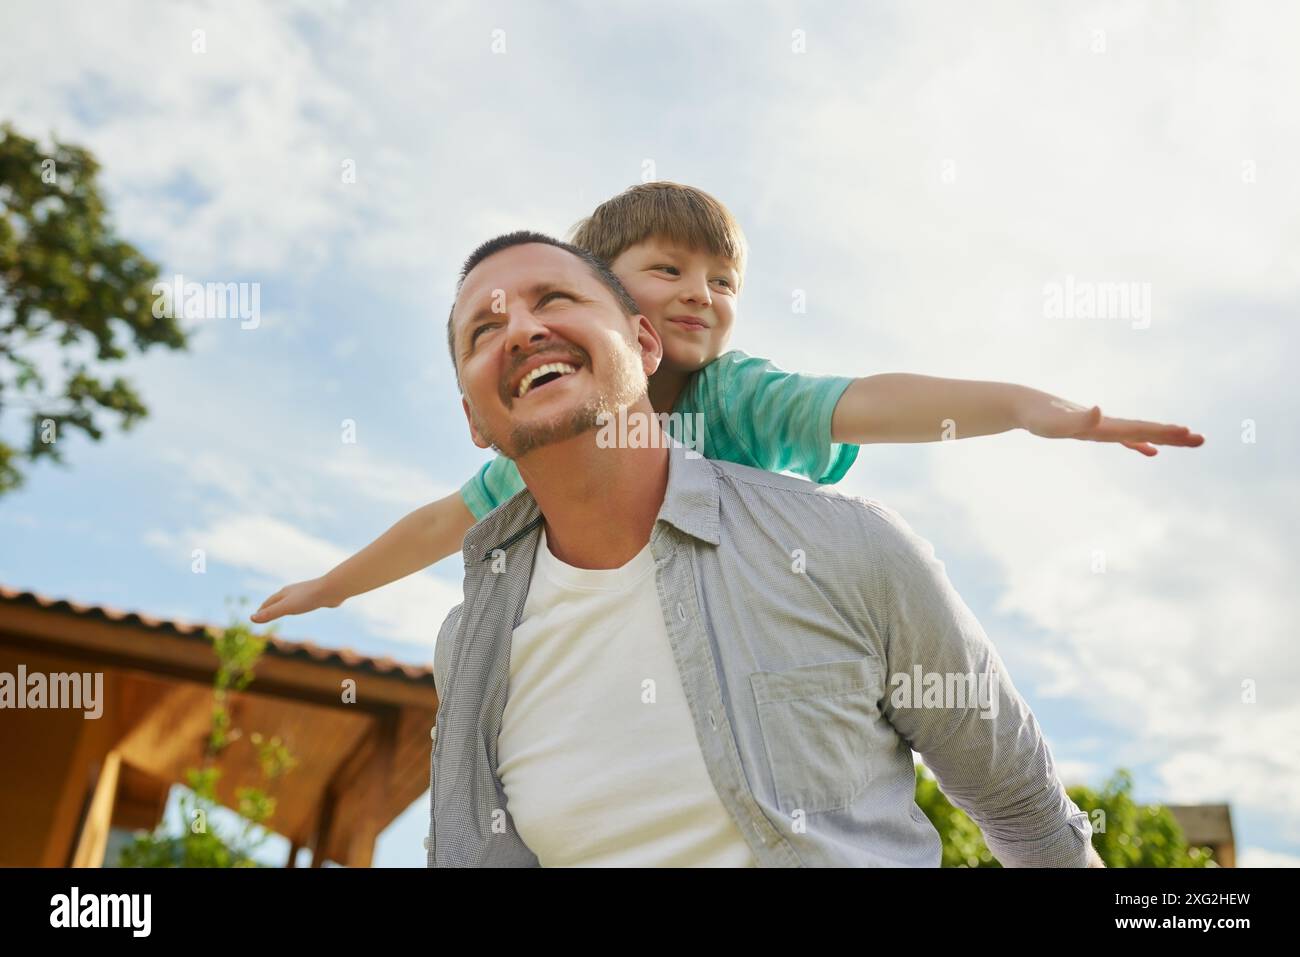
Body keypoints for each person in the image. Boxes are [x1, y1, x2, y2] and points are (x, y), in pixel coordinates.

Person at [426, 230, 1107, 866]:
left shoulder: (849, 546)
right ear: (472, 421)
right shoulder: (470, 646)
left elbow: (1029, 813)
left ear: (644, 343)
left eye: (555, 298)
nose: (521, 329)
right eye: (484, 329)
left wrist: (1022, 406)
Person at [251, 182, 1202, 627]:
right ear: (606, 299)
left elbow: (873, 400)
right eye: (669, 270)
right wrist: (328, 587)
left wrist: (1037, 409)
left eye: (723, 279)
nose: (703, 293)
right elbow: (437, 523)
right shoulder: (550, 440)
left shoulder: (737, 395)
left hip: (753, 611)